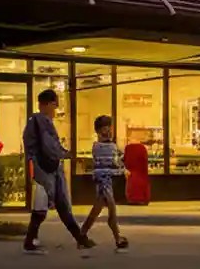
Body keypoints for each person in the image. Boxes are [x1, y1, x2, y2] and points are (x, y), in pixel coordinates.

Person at [22, 88, 96, 255]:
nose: (55, 110)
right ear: (46, 104)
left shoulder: (36, 122)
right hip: (46, 168)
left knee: (59, 204)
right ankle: (30, 240)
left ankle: (80, 238)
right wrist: (65, 155)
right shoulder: (41, 121)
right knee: (45, 203)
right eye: (55, 105)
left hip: (47, 167)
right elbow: (49, 147)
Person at [81, 115, 130, 252]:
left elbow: (112, 163)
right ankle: (118, 239)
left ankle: (82, 234)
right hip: (105, 183)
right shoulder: (108, 147)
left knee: (96, 211)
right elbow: (114, 163)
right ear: (99, 131)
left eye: (110, 128)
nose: (109, 131)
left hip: (102, 181)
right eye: (106, 128)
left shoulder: (97, 146)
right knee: (112, 212)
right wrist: (123, 170)